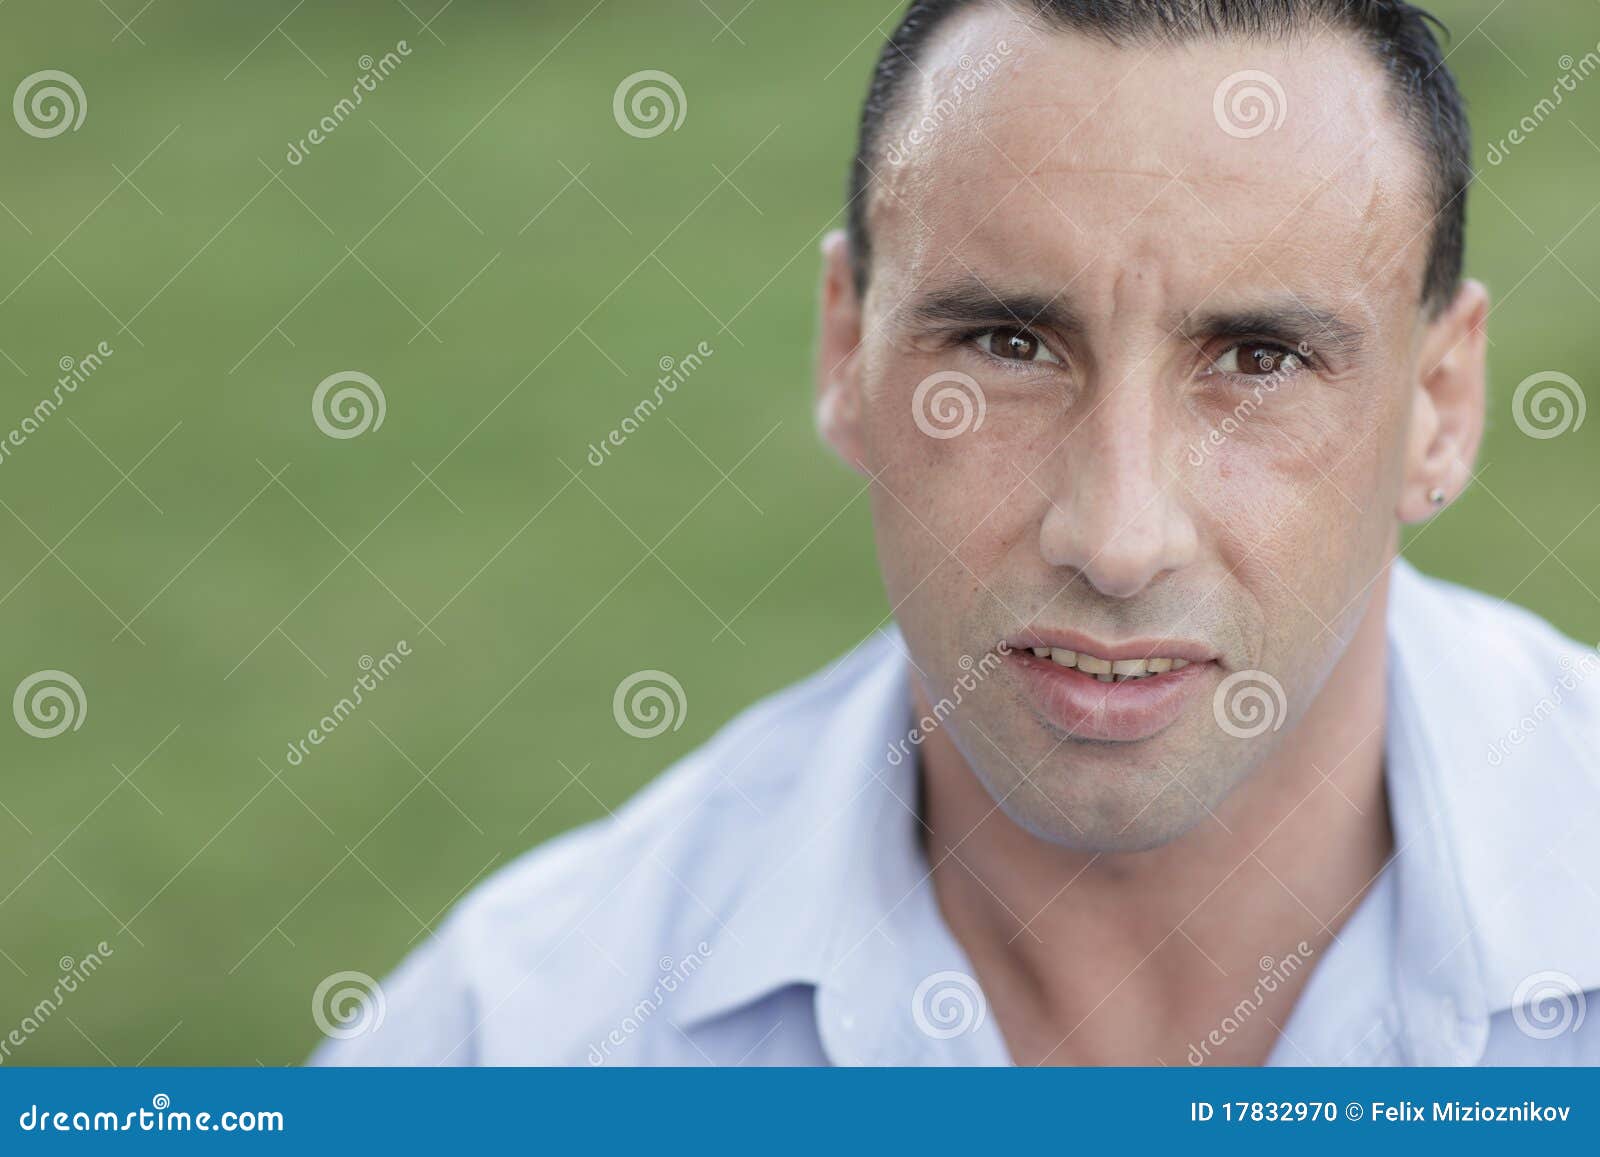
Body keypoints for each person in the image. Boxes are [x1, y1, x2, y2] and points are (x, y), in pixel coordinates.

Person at [315, 0, 1600, 1066]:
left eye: (1257, 357)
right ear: (843, 347)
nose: (1115, 535)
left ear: (1439, 404)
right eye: (1006, 344)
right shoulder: (519, 1043)